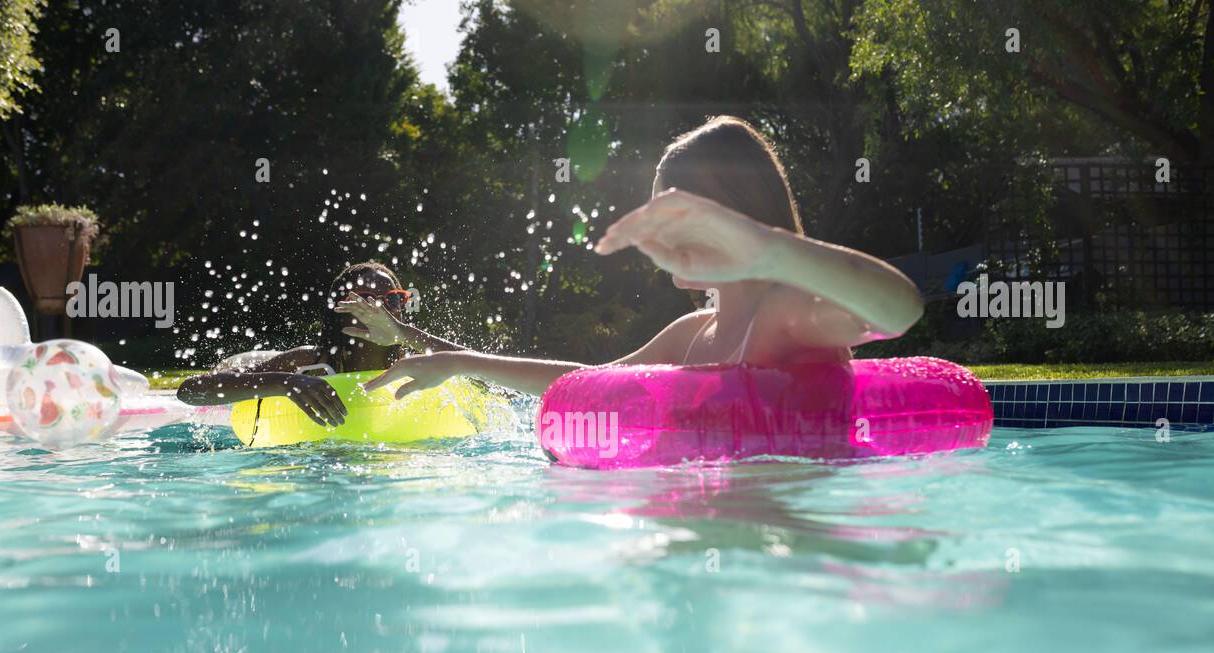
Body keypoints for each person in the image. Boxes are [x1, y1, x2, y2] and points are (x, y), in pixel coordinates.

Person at [356, 116, 924, 401]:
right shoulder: (695, 332)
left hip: (798, 554)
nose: (656, 236)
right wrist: (460, 361)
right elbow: (591, 383)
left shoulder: (791, 312)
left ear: (736, 214)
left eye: (675, 218)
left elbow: (898, 311)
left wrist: (770, 251)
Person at [176, 261, 439, 426]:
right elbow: (190, 391)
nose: (380, 309)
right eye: (367, 298)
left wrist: (405, 334)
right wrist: (285, 383)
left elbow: (479, 370)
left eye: (392, 299)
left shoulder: (418, 366)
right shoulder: (309, 364)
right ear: (340, 308)